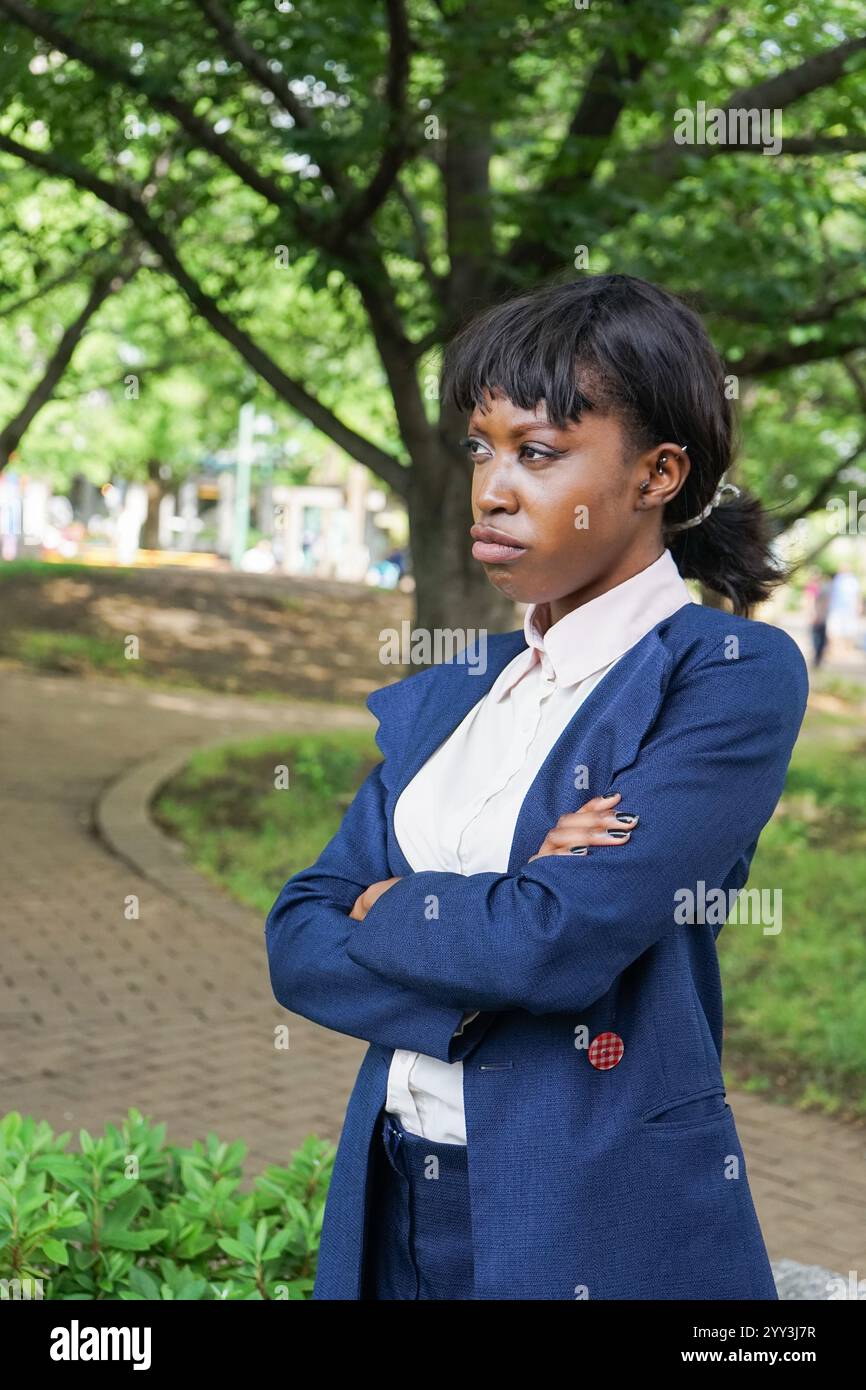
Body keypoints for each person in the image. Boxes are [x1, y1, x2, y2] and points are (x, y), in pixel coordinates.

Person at [265, 273, 809, 1300]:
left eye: (538, 452)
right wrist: (496, 914)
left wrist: (388, 903)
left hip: (590, 1208)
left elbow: (553, 944)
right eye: (481, 447)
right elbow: (296, 935)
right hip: (396, 1195)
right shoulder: (458, 692)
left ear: (655, 472)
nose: (491, 487)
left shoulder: (725, 673)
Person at [808, 570, 834, 668]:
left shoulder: (820, 587)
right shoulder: (815, 587)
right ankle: (817, 659)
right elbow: (810, 600)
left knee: (820, 638)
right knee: (817, 638)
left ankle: (818, 659)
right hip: (819, 616)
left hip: (821, 616)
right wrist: (813, 613)